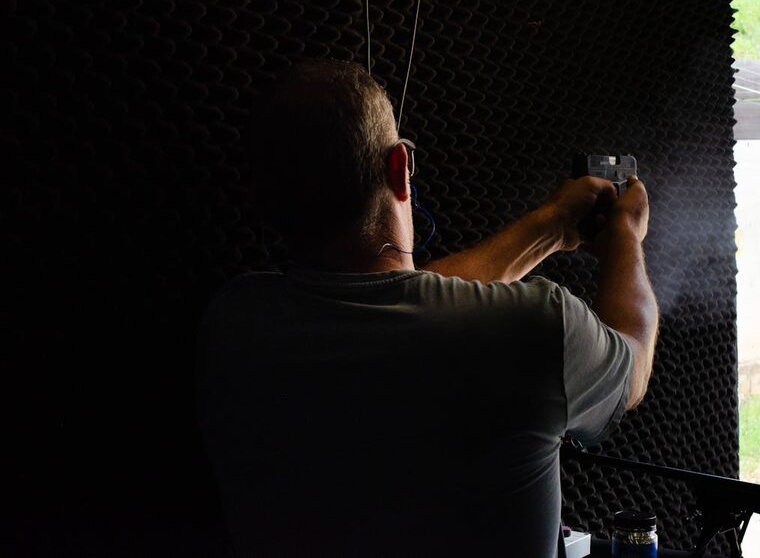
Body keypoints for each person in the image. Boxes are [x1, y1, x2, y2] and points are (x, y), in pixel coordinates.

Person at [197, 59, 658, 557]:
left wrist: (547, 229)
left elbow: (408, 301)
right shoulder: (536, 327)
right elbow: (632, 361)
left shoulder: (234, 321)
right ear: (400, 168)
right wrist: (625, 237)